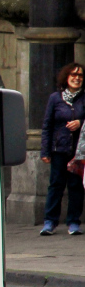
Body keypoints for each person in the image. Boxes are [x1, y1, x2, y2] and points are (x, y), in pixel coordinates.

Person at [40, 63, 85, 235]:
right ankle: (50, 221)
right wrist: (45, 151)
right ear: (66, 78)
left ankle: (73, 221)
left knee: (75, 186)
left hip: (79, 151)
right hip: (59, 149)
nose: (77, 78)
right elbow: (47, 126)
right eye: (73, 75)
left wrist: (81, 123)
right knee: (56, 184)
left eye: (80, 75)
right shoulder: (55, 98)